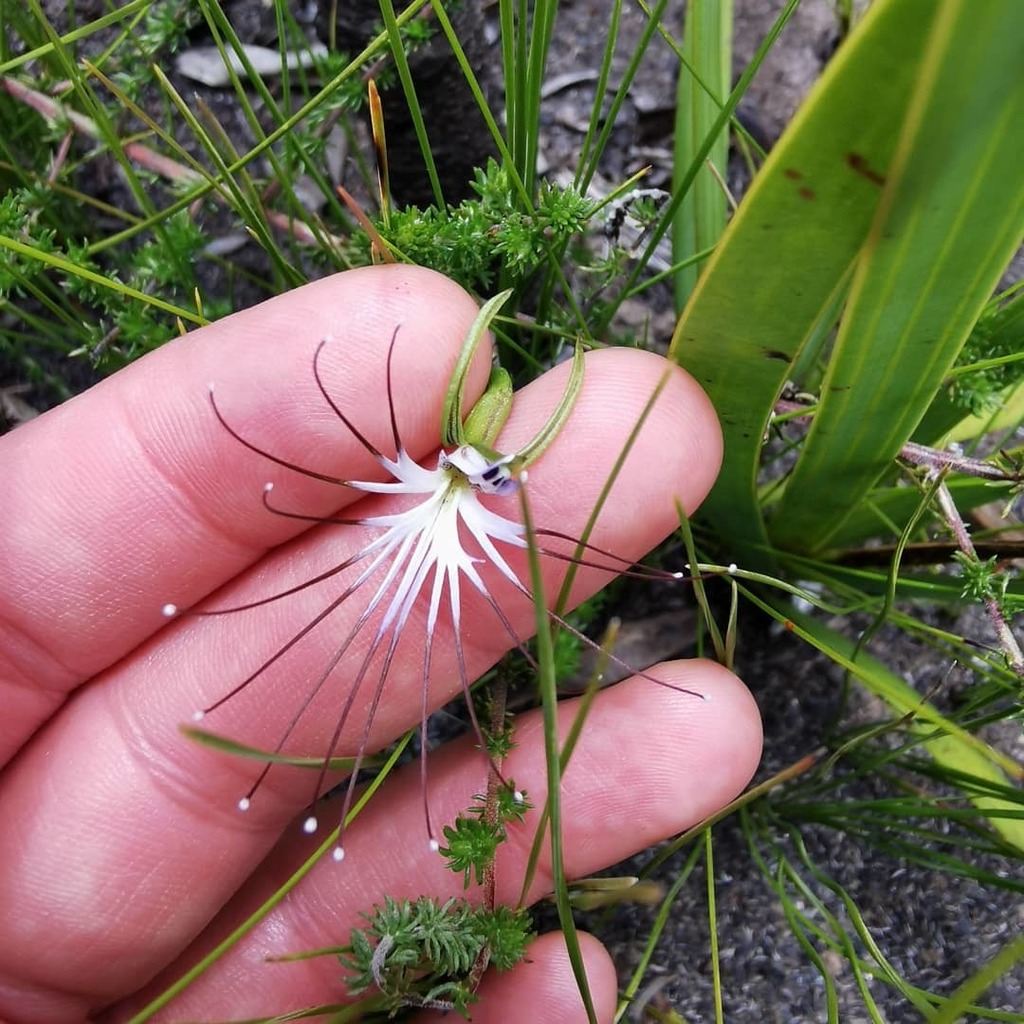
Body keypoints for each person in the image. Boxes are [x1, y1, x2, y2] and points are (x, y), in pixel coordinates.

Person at [0, 266, 762, 1023]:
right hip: (452, 495)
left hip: (454, 497)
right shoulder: (468, 471)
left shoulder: (480, 474)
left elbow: (490, 481)